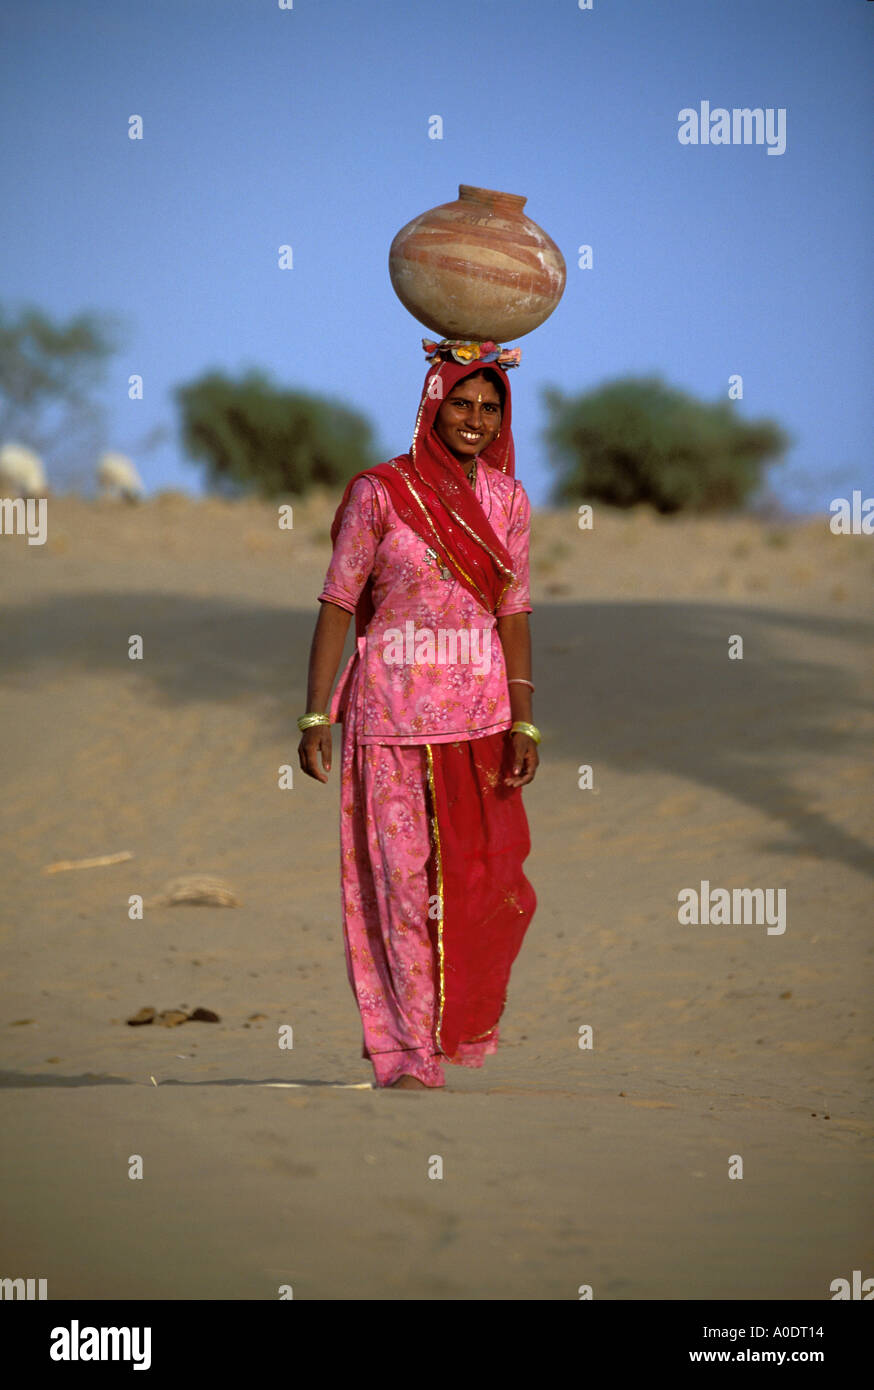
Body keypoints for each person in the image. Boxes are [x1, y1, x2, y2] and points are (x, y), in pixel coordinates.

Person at [297, 339, 540, 1089]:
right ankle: (404, 1054)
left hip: (479, 719)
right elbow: (340, 601)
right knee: (396, 887)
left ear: (502, 417)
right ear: (433, 405)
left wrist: (525, 719)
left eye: (488, 407)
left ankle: (452, 1035)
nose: (473, 419)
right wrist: (315, 716)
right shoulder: (380, 493)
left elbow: (516, 609)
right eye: (461, 403)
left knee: (474, 889)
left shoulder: (508, 501)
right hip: (389, 719)